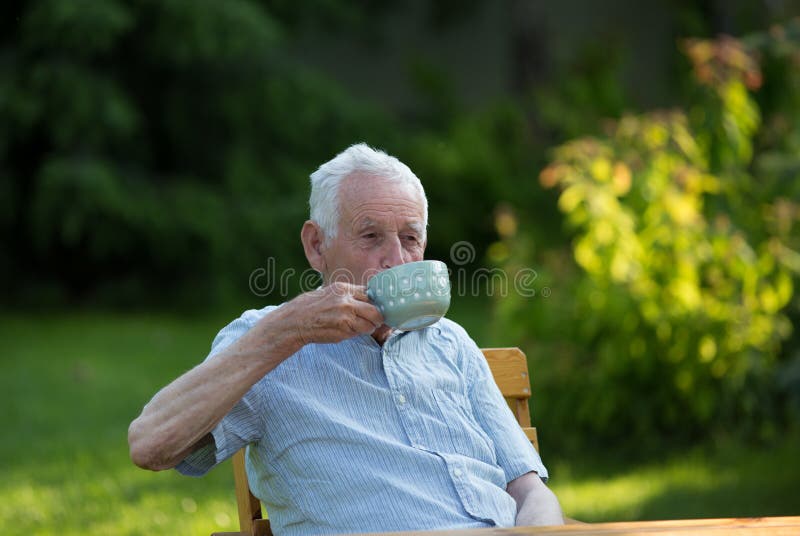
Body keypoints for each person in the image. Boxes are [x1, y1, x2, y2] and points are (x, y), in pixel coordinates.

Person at [128, 143, 564, 534]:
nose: (396, 260)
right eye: (371, 236)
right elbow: (150, 445)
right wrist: (288, 329)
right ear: (317, 246)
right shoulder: (271, 342)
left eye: (410, 239)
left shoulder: (450, 343)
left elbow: (530, 492)